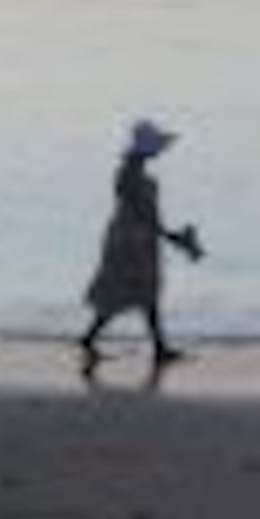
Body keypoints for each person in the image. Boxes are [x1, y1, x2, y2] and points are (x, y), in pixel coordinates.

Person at [79, 119, 205, 367]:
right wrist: (172, 237)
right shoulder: (129, 174)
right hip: (130, 243)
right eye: (156, 146)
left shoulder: (132, 171)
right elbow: (143, 213)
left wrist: (170, 236)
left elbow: (145, 213)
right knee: (139, 292)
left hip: (136, 238)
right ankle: (156, 347)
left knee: (134, 293)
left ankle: (95, 338)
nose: (159, 151)